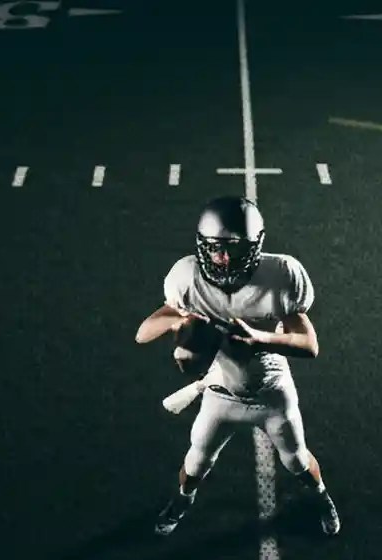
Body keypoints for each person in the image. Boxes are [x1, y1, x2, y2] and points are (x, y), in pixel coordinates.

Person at [135, 196, 341, 536]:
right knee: (196, 462)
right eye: (216, 249)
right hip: (222, 391)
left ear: (256, 246)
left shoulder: (281, 275)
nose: (225, 258)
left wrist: (262, 340)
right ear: (203, 246)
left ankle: (321, 496)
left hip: (271, 390)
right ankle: (182, 502)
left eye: (235, 249)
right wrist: (181, 326)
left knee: (297, 461)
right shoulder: (187, 279)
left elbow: (309, 345)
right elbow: (143, 333)